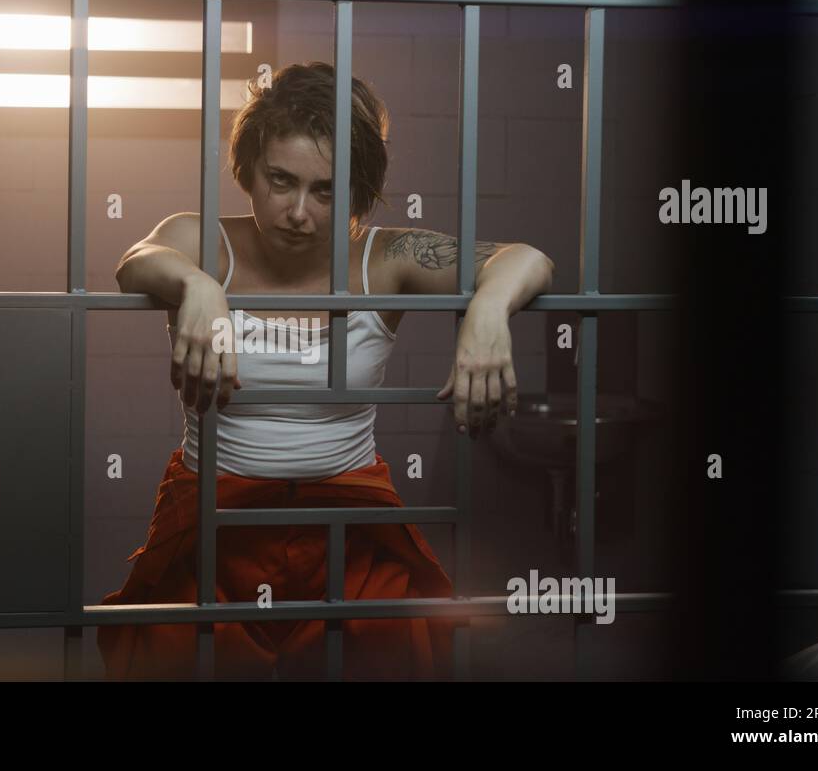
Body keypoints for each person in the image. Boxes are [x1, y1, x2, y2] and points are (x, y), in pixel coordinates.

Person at [98, 61, 555, 680]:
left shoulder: (384, 257)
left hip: (350, 519)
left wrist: (490, 308)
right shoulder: (205, 241)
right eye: (280, 181)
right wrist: (198, 284)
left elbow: (525, 258)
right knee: (173, 652)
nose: (298, 212)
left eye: (326, 191)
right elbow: (134, 260)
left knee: (395, 650)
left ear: (357, 190)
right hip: (217, 514)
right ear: (248, 171)